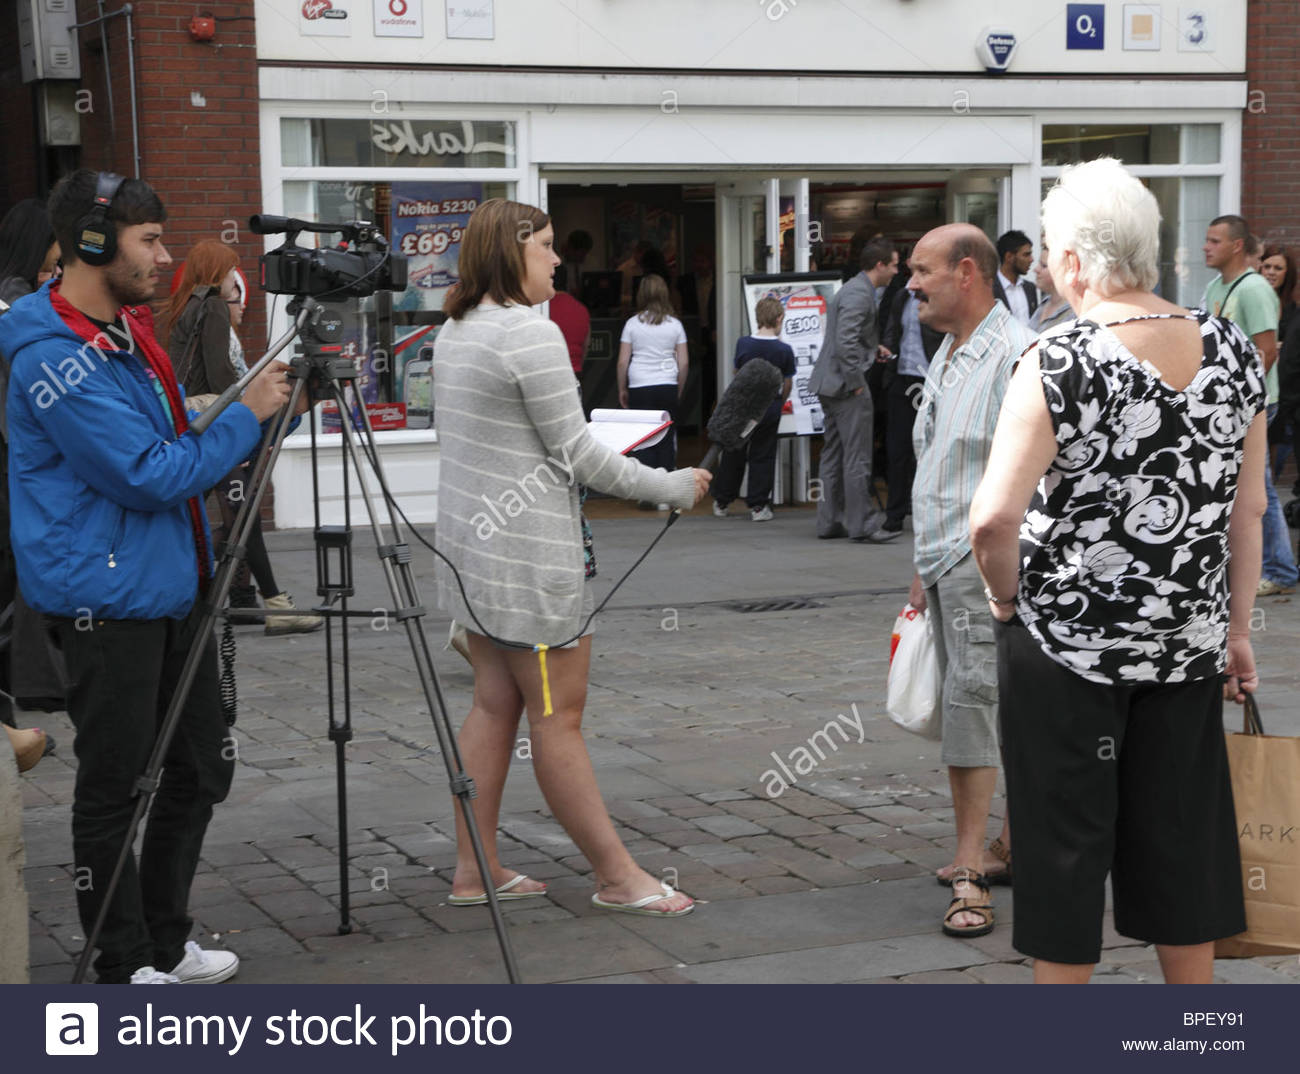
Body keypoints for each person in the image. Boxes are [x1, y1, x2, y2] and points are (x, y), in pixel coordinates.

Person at [1, 169, 299, 984]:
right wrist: (245, 418)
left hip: (170, 587)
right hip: (106, 601)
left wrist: (242, 403)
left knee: (201, 769)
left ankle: (166, 939)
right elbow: (146, 473)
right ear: (93, 245)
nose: (166, 257)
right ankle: (123, 960)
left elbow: (165, 437)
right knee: (115, 789)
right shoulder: (49, 355)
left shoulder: (129, 332)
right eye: (150, 242)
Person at [970, 157, 1262, 983]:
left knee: (1063, 848)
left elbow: (991, 518)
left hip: (1064, 644)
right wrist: (1235, 630)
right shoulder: (1234, 348)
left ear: (1070, 261)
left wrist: (1004, 602)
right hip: (1187, 645)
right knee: (1184, 843)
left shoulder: (1058, 360)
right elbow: (1247, 509)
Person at [432, 198, 710, 916]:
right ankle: (618, 877)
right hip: (530, 562)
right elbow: (579, 452)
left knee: (494, 707)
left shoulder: (458, 327)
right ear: (509, 252)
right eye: (547, 246)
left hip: (472, 554)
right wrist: (671, 486)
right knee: (557, 719)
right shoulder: (529, 333)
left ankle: (476, 869)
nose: (559, 260)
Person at [905, 223, 1034, 939]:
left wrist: (992, 570)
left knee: (974, 704)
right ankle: (1006, 845)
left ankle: (969, 869)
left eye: (921, 271)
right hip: (948, 557)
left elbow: (1030, 476)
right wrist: (920, 568)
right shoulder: (953, 350)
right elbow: (939, 464)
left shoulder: (1015, 355)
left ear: (965, 273)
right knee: (983, 701)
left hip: (982, 561)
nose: (912, 284)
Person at [165, 241, 322, 635]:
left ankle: (245, 598)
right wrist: (246, 421)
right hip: (218, 421)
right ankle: (269, 603)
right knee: (239, 513)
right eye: (231, 270)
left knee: (226, 512)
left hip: (198, 420)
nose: (236, 279)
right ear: (218, 273)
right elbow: (221, 377)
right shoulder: (213, 307)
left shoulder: (186, 309)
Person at [1203, 215, 1295, 597]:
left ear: (1236, 246)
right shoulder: (1213, 287)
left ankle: (1281, 569)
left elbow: (1267, 351)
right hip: (1226, 406)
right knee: (1240, 487)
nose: (1206, 247)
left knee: (1260, 490)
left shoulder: (1254, 289)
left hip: (1251, 405)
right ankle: (1251, 565)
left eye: (1214, 241)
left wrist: (1247, 401)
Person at [808, 238, 899, 542]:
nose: (897, 272)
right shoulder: (861, 294)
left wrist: (873, 349)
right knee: (857, 456)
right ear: (880, 265)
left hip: (828, 383)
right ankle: (863, 524)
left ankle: (829, 521)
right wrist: (857, 383)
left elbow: (847, 338)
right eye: (894, 265)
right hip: (846, 386)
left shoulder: (851, 289)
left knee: (833, 453)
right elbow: (846, 342)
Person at [711, 296, 794, 521]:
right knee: (763, 455)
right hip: (769, 407)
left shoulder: (744, 344)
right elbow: (787, 383)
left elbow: (737, 374)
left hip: (743, 408)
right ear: (779, 318)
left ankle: (722, 500)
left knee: (734, 452)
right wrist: (779, 400)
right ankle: (758, 506)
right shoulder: (784, 350)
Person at [617, 272, 688, 503]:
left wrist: (622, 388)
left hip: (640, 385)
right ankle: (665, 495)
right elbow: (684, 362)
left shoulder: (632, 324)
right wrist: (678, 386)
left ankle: (645, 494)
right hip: (667, 384)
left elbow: (622, 361)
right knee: (666, 439)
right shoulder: (675, 324)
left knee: (643, 439)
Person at [880, 280, 943, 533]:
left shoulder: (936, 297)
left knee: (927, 450)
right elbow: (892, 330)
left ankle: (926, 515)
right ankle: (894, 513)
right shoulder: (901, 298)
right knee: (897, 451)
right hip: (901, 378)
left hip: (929, 380)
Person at [993, 229, 1038, 327]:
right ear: (1009, 257)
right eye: (1026, 254)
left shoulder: (1030, 288)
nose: (1031, 259)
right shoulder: (988, 289)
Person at [1027, 243, 1074, 334]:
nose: (1036, 269)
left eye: (1044, 266)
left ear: (1062, 270)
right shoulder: (1044, 303)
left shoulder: (1075, 312)